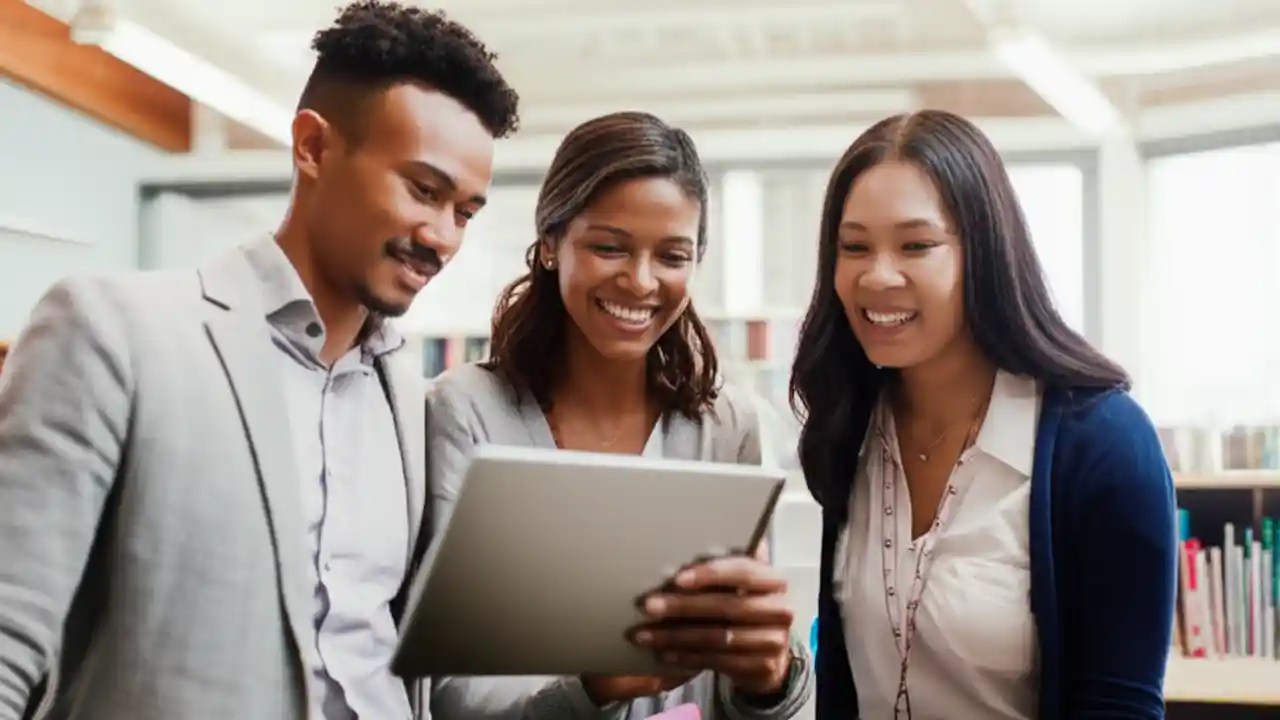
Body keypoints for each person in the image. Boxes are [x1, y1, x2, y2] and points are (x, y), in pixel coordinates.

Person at [0, 2, 519, 718]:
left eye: (465, 211)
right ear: (312, 147)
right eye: (423, 191)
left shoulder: (411, 401)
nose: (442, 237)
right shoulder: (113, 332)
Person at [425, 111, 814, 720]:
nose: (640, 281)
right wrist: (592, 691)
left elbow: (741, 694)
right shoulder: (465, 414)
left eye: (672, 256)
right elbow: (442, 694)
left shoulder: (726, 425)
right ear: (550, 244)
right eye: (609, 247)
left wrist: (771, 679)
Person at [789, 110, 1176, 719]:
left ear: (986, 254)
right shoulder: (850, 425)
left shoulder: (1102, 443)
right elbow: (842, 684)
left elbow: (1118, 707)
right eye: (854, 246)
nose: (877, 275)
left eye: (917, 245)